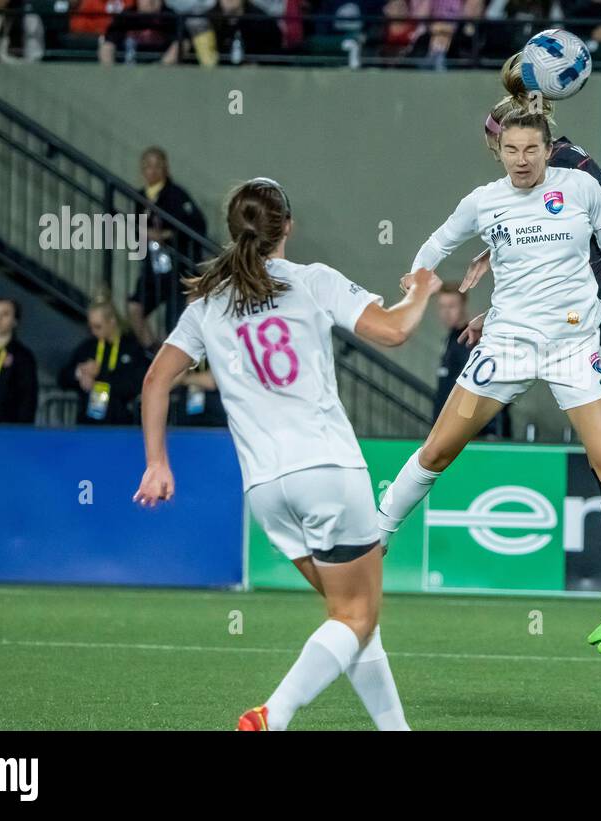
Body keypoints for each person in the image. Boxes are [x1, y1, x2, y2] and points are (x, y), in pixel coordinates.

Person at [376, 111, 601, 657]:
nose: (521, 159)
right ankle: (378, 535)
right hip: (506, 348)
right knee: (437, 450)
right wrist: (416, 282)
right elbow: (436, 245)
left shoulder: (579, 189)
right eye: (512, 150)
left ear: (549, 150)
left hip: (574, 350)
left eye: (532, 149)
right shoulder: (484, 201)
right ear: (499, 151)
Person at [133, 178, 442, 731]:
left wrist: (157, 463)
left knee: (349, 618)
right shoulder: (312, 281)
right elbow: (395, 331)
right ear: (288, 228)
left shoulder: (209, 302)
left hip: (266, 491)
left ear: (234, 229)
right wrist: (421, 289)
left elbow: (155, 382)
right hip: (326, 470)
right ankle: (272, 717)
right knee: (357, 614)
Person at [455, 62, 601, 655]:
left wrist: (518, 86)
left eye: (511, 144)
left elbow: (594, 249)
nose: (507, 155)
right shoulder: (558, 170)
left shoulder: (562, 168)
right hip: (595, 315)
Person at [128, 147, 209, 351]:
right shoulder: (140, 197)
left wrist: (166, 235)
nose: (152, 171)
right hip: (153, 268)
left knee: (173, 323)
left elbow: (197, 225)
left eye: (157, 166)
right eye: (147, 166)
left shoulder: (176, 195)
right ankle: (152, 352)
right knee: (135, 307)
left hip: (177, 269)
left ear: (165, 168)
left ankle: (171, 364)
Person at [58, 300, 149, 425]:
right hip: (88, 424)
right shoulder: (88, 347)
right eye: (91, 327)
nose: (94, 332)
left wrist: (99, 378)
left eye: (98, 327)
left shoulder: (131, 347)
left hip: (121, 424)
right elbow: (62, 378)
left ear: (112, 321)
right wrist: (80, 373)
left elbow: (137, 382)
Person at [433, 288, 507, 437]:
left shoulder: (472, 339)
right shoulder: (451, 339)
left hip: (470, 433)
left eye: (452, 306)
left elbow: (480, 385)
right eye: (442, 306)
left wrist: (468, 429)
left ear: (463, 305)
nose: (446, 312)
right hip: (451, 429)